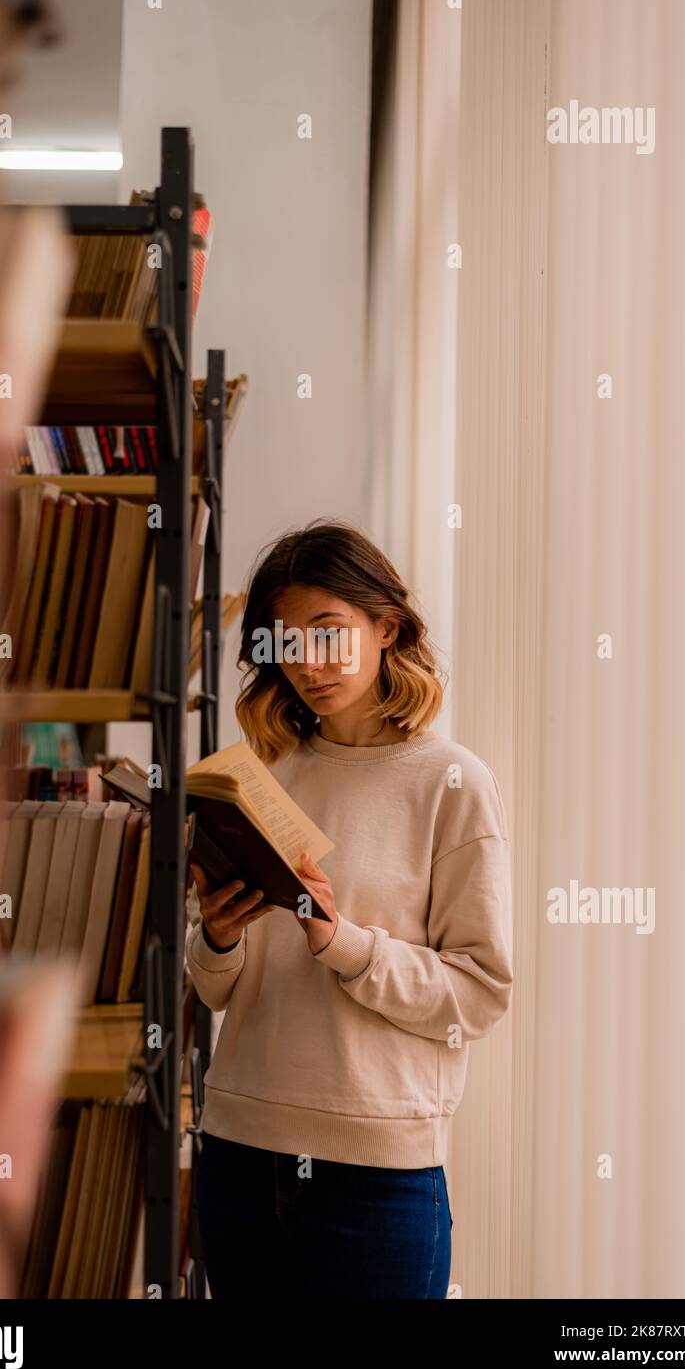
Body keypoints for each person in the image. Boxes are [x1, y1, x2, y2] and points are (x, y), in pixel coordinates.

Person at [186, 521, 513, 1299]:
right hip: (236, 1152)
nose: (306, 663)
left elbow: (478, 996)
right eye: (284, 641)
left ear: (386, 626)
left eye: (328, 633)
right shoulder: (258, 778)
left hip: (376, 1178)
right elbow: (216, 991)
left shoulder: (451, 783)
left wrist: (344, 944)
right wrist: (219, 937)